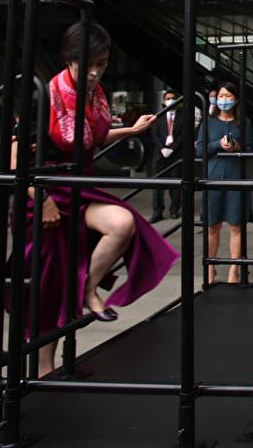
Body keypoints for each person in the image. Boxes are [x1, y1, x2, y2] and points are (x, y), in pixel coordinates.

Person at [19, 22, 179, 377]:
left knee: (122, 224)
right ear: (69, 59)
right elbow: (16, 160)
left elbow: (95, 137)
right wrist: (41, 197)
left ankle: (88, 288)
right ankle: (43, 374)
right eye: (86, 63)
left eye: (102, 64)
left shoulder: (95, 95)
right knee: (50, 291)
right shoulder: (43, 96)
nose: (94, 72)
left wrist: (133, 130)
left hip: (79, 188)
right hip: (43, 194)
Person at [196, 83, 253, 285]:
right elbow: (199, 150)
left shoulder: (243, 123)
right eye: (221, 95)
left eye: (228, 95)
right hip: (212, 177)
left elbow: (250, 149)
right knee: (212, 225)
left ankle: (234, 270)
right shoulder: (208, 123)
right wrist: (217, 145)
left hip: (236, 176)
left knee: (236, 226)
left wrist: (237, 147)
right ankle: (210, 268)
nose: (224, 99)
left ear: (236, 99)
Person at [149, 90, 182, 222]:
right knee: (158, 185)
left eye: (173, 98)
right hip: (160, 155)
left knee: (175, 184)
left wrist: (172, 149)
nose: (170, 100)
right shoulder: (159, 116)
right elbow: (154, 135)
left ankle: (174, 209)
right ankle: (157, 212)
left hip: (176, 155)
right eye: (168, 98)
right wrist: (162, 148)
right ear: (163, 101)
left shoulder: (183, 116)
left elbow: (183, 136)